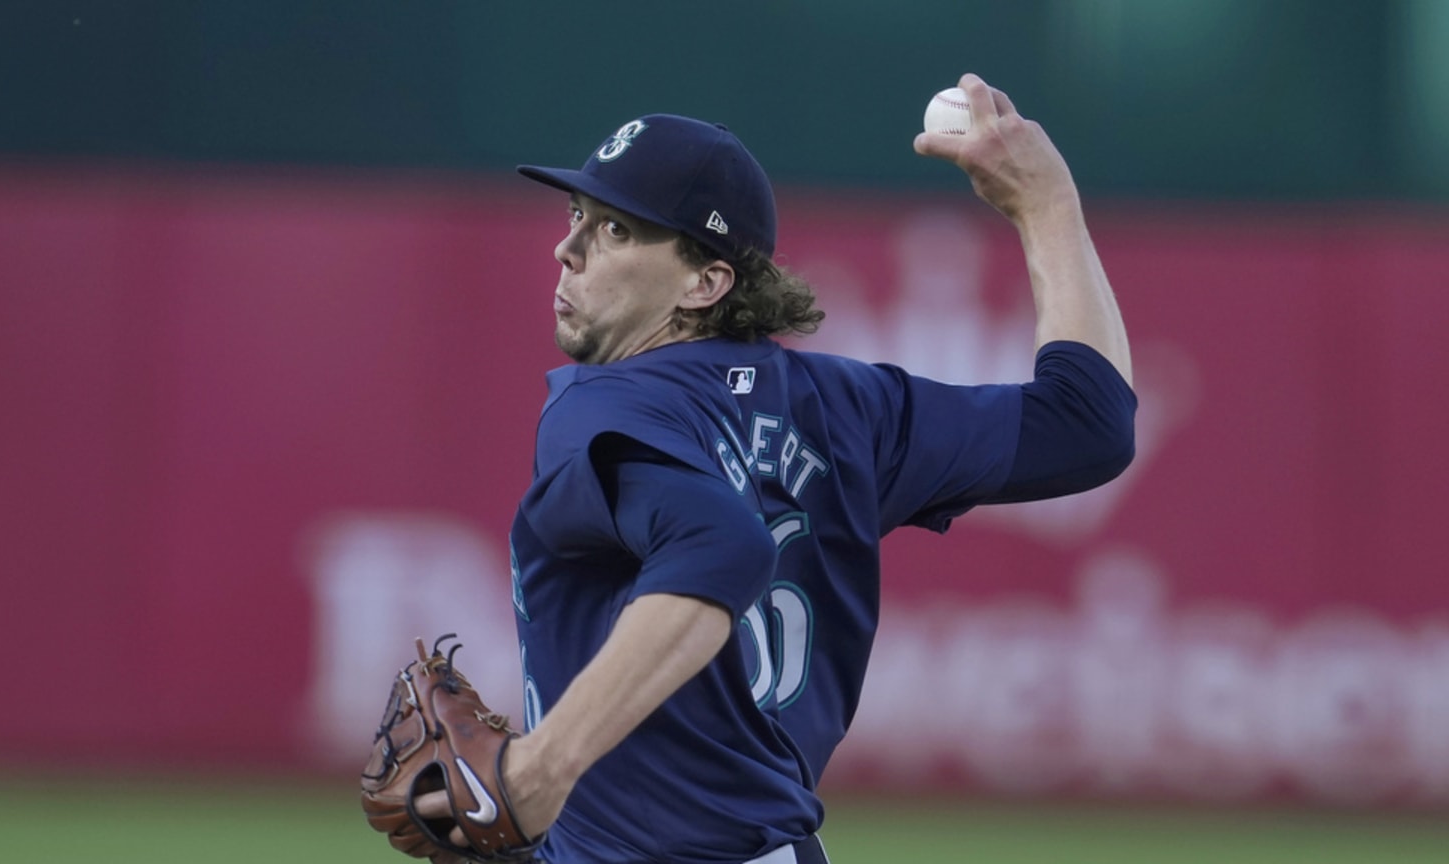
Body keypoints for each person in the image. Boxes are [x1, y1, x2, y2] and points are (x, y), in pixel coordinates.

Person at [416, 73, 1135, 864]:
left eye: (618, 230)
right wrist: (1048, 208)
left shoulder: (601, 407)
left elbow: (723, 549)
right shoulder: (848, 410)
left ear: (707, 281)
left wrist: (541, 769)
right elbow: (1089, 424)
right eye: (578, 213)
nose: (570, 247)